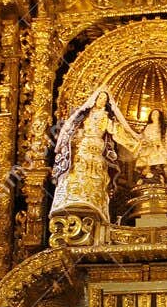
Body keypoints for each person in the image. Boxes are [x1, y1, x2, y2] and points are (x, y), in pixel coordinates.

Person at [49, 88, 137, 221]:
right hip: (82, 148)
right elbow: (72, 130)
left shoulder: (106, 118)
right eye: (100, 98)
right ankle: (73, 199)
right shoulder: (83, 115)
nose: (102, 101)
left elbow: (116, 131)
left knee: (97, 175)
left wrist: (134, 144)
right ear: (94, 99)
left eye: (105, 100)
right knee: (76, 171)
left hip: (97, 149)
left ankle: (93, 202)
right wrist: (72, 141)